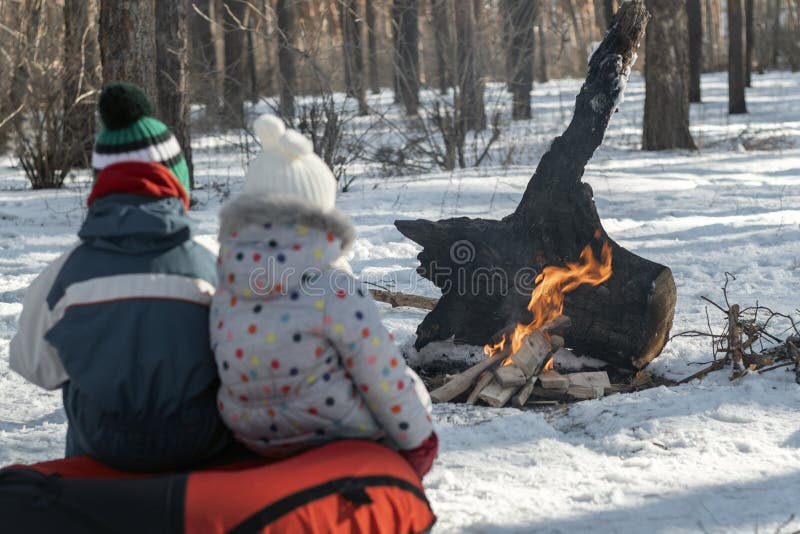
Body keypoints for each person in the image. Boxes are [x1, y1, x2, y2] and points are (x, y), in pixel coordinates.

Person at [9, 82, 230, 472]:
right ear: (176, 180)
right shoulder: (213, 264)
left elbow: (35, 366)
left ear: (101, 183)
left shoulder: (64, 274)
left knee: (77, 382)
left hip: (99, 449)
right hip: (200, 450)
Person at [211, 115, 438, 479]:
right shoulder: (333, 286)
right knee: (407, 383)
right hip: (333, 434)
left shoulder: (226, 284)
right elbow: (380, 374)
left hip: (251, 436)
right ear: (321, 214)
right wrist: (419, 443)